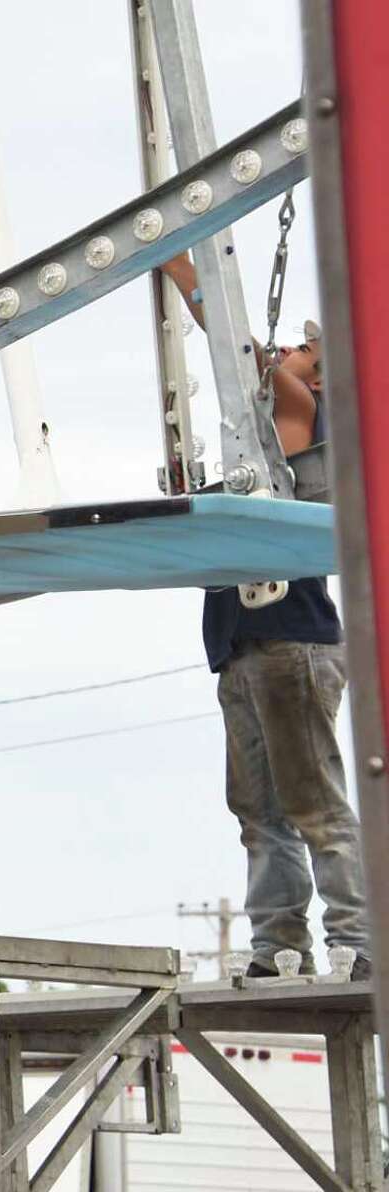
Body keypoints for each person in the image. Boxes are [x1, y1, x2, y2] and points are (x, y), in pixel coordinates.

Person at [162, 254, 369, 981]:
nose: (288, 350)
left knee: (311, 802)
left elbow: (238, 346)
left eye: (303, 351)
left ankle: (356, 938)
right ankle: (281, 943)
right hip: (249, 642)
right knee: (261, 810)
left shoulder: (298, 413)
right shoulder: (255, 434)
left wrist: (183, 267)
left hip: (291, 637)